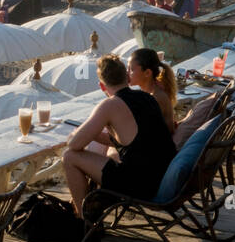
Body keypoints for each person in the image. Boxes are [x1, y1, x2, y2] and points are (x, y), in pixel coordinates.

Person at [62, 55, 176, 217]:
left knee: (69, 156)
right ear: (127, 78)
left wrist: (75, 134)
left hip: (141, 185)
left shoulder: (109, 105)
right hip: (161, 176)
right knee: (110, 152)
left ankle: (83, 220)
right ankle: (94, 205)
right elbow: (130, 141)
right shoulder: (147, 98)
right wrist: (92, 134)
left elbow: (74, 145)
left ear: (102, 86)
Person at [129, 48, 177, 133]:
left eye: (131, 70)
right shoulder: (149, 92)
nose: (127, 73)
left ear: (147, 73)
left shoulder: (156, 97)